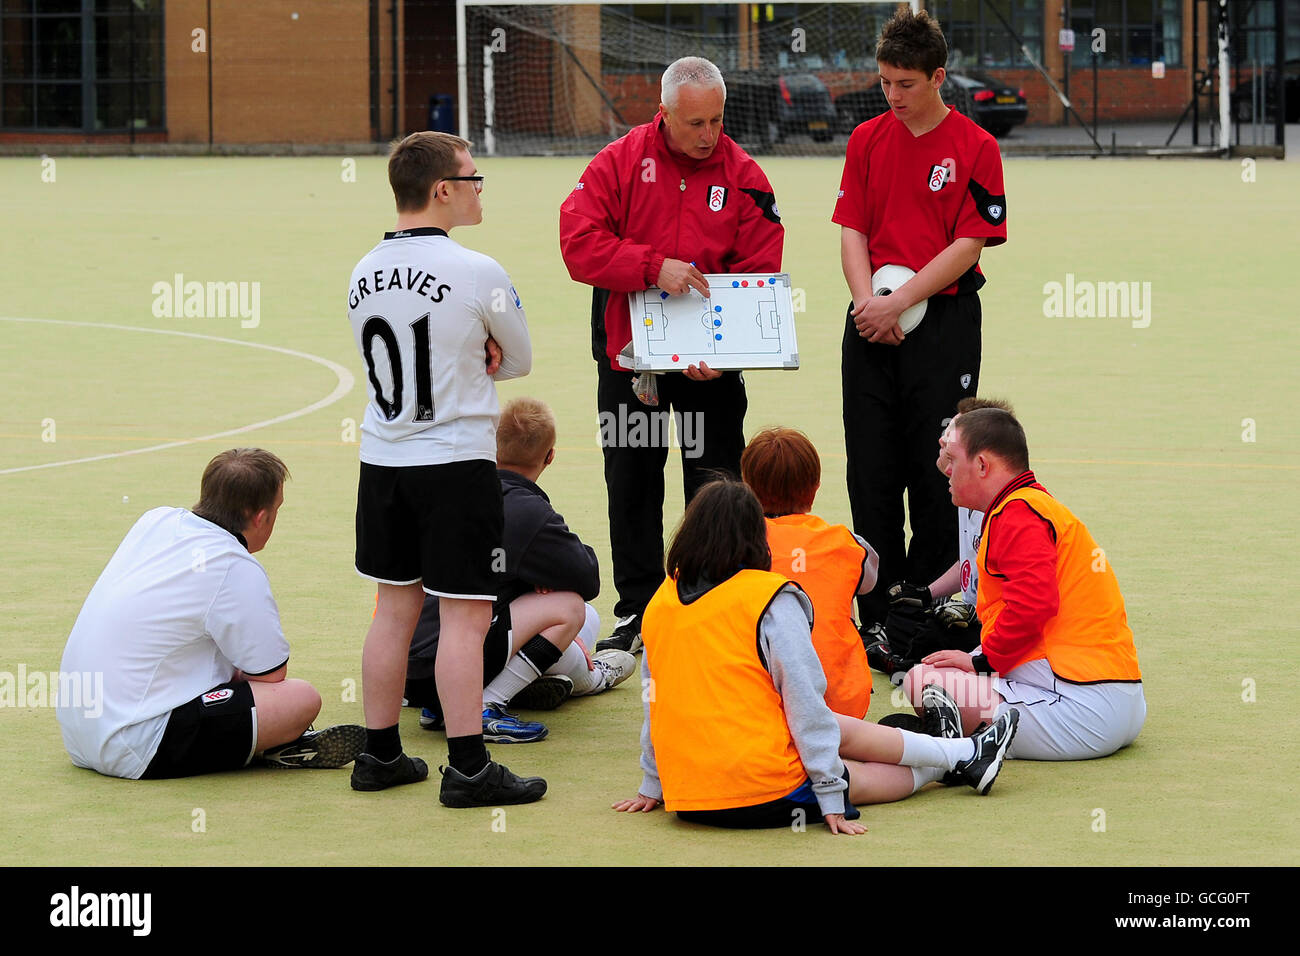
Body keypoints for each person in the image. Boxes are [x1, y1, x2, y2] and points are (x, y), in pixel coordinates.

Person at [613, 480, 1020, 834]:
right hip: (762, 792)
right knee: (851, 773)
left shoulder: (661, 600)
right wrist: (831, 793)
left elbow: (655, 701)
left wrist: (653, 781)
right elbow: (805, 701)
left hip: (688, 793)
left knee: (828, 732)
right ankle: (955, 759)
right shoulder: (769, 596)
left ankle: (963, 754)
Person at [559, 55, 784, 655]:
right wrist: (653, 266)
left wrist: (724, 350)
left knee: (714, 483)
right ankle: (636, 608)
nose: (709, 135)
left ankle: (707, 599)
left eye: (716, 120)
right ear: (663, 113)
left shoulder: (745, 175)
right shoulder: (619, 161)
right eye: (695, 124)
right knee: (630, 479)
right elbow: (578, 244)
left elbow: (759, 269)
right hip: (630, 361)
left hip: (710, 369)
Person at [347, 130, 544, 807]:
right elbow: (517, 359)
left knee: (393, 609)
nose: (479, 186)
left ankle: (379, 755)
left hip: (383, 458)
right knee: (464, 617)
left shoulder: (362, 269)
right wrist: (484, 351)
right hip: (454, 462)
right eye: (472, 176)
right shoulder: (477, 270)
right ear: (442, 190)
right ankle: (467, 768)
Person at [833, 9, 1008, 636]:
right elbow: (852, 228)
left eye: (904, 83)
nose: (892, 95)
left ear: (938, 77)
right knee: (871, 469)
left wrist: (901, 297)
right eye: (884, 82)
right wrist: (867, 304)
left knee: (939, 468)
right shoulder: (866, 139)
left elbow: (970, 243)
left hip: (944, 324)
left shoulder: (976, 147)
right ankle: (876, 614)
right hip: (870, 321)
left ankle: (928, 613)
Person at [57, 448, 364, 780]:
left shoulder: (156, 519)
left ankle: (257, 740)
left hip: (77, 734)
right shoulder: (234, 565)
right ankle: (274, 742)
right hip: (135, 747)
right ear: (261, 517)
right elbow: (270, 677)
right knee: (300, 698)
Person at [902, 407, 1147, 760]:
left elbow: (1034, 605)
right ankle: (959, 731)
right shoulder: (1030, 504)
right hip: (1107, 699)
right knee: (946, 666)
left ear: (983, 466)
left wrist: (982, 663)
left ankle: (958, 748)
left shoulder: (1018, 513)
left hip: (1082, 709)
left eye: (953, 459)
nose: (947, 470)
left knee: (922, 680)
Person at [405, 397, 637, 741]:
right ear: (550, 456)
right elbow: (586, 577)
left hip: (413, 663)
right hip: (456, 658)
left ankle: (455, 701)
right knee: (570, 607)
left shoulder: (450, 490)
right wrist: (536, 578)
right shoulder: (529, 511)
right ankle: (491, 703)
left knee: (586, 616)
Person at [868, 397, 1014, 682]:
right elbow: (970, 563)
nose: (942, 439)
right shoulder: (965, 494)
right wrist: (925, 593)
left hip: (994, 625)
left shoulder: (1003, 508)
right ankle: (912, 660)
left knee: (935, 633)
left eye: (953, 433)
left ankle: (909, 666)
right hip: (977, 615)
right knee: (904, 616)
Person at [739, 426, 878, 719]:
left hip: (761, 708)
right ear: (815, 488)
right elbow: (869, 583)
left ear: (746, 487)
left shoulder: (731, 543)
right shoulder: (847, 543)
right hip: (842, 706)